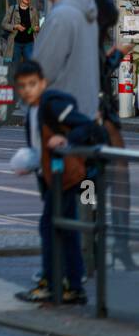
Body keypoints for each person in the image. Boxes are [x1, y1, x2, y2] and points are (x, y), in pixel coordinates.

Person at [10, 60, 106, 305]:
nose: (28, 90)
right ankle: (73, 286)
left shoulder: (51, 103)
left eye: (33, 84)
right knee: (65, 229)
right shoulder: (32, 109)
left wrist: (65, 139)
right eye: (22, 86)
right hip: (52, 176)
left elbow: (84, 124)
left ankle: (52, 285)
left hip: (65, 176)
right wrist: (30, 162)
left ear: (43, 83)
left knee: (49, 227)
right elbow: (39, 146)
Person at [32, 0, 99, 120]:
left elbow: (42, 71)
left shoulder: (61, 17)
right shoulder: (85, 13)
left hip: (61, 118)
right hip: (82, 115)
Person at [1, 0, 39, 64]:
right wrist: (15, 26)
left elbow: (36, 26)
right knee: (15, 65)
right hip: (15, 43)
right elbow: (3, 24)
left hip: (29, 43)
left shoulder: (33, 10)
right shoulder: (13, 9)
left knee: (30, 65)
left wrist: (36, 28)